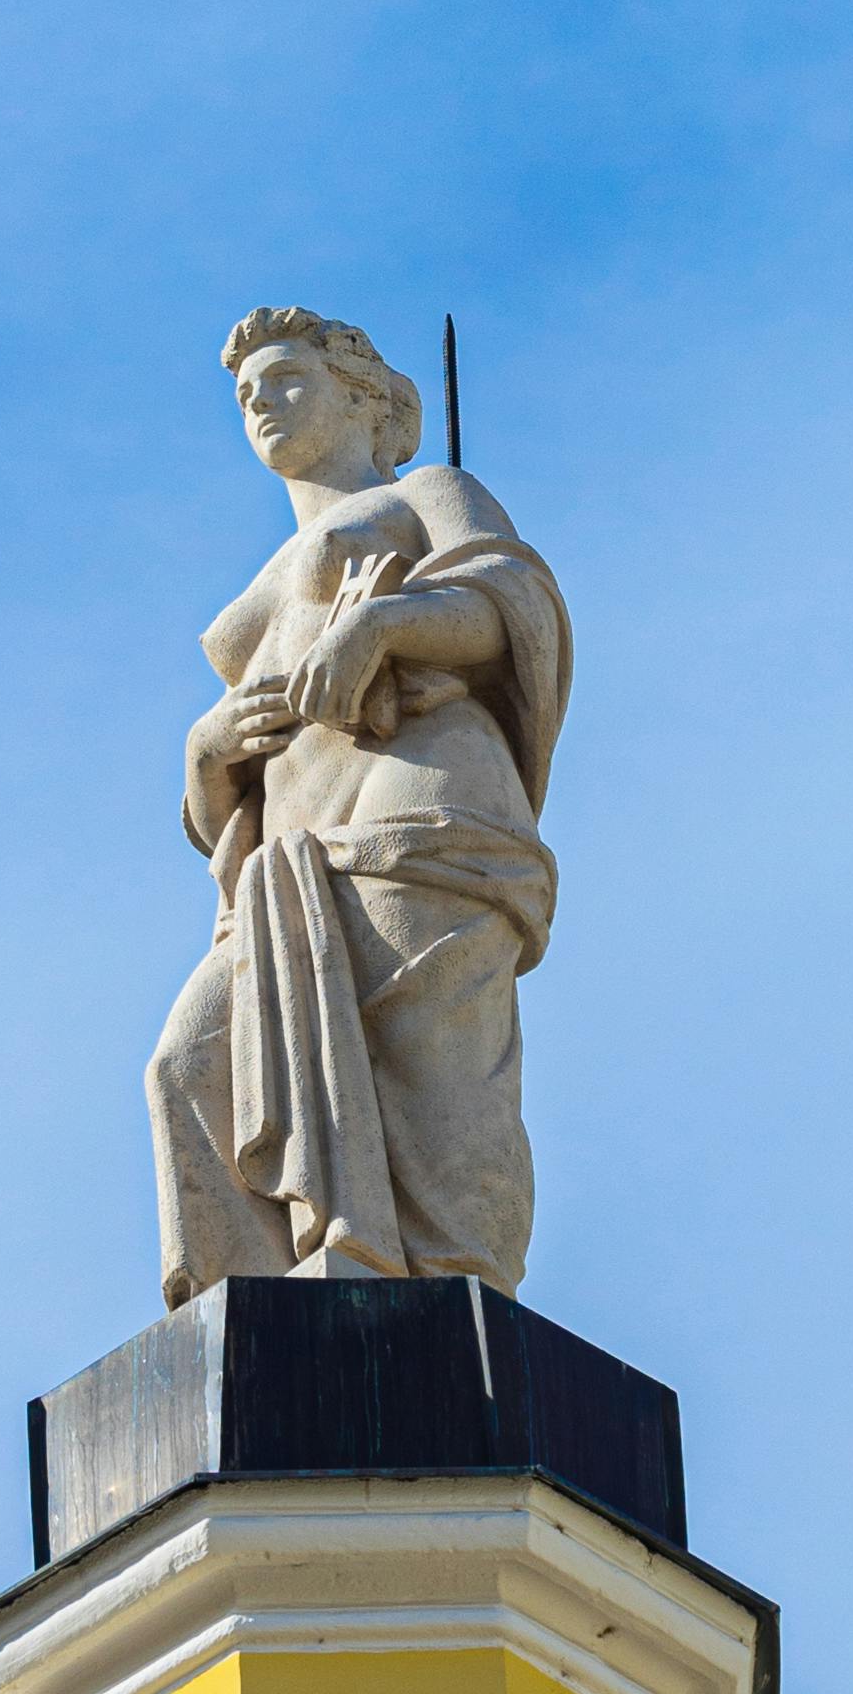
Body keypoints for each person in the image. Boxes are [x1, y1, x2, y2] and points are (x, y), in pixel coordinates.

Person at [145, 306, 572, 1304]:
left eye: (288, 378)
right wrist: (205, 749)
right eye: (247, 392)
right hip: (286, 851)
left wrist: (383, 624)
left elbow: (510, 609)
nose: (262, 403)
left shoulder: (430, 492)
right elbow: (223, 798)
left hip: (415, 793)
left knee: (432, 1073)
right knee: (191, 1068)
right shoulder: (263, 581)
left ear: (365, 398)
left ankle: (465, 1303)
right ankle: (261, 1316)